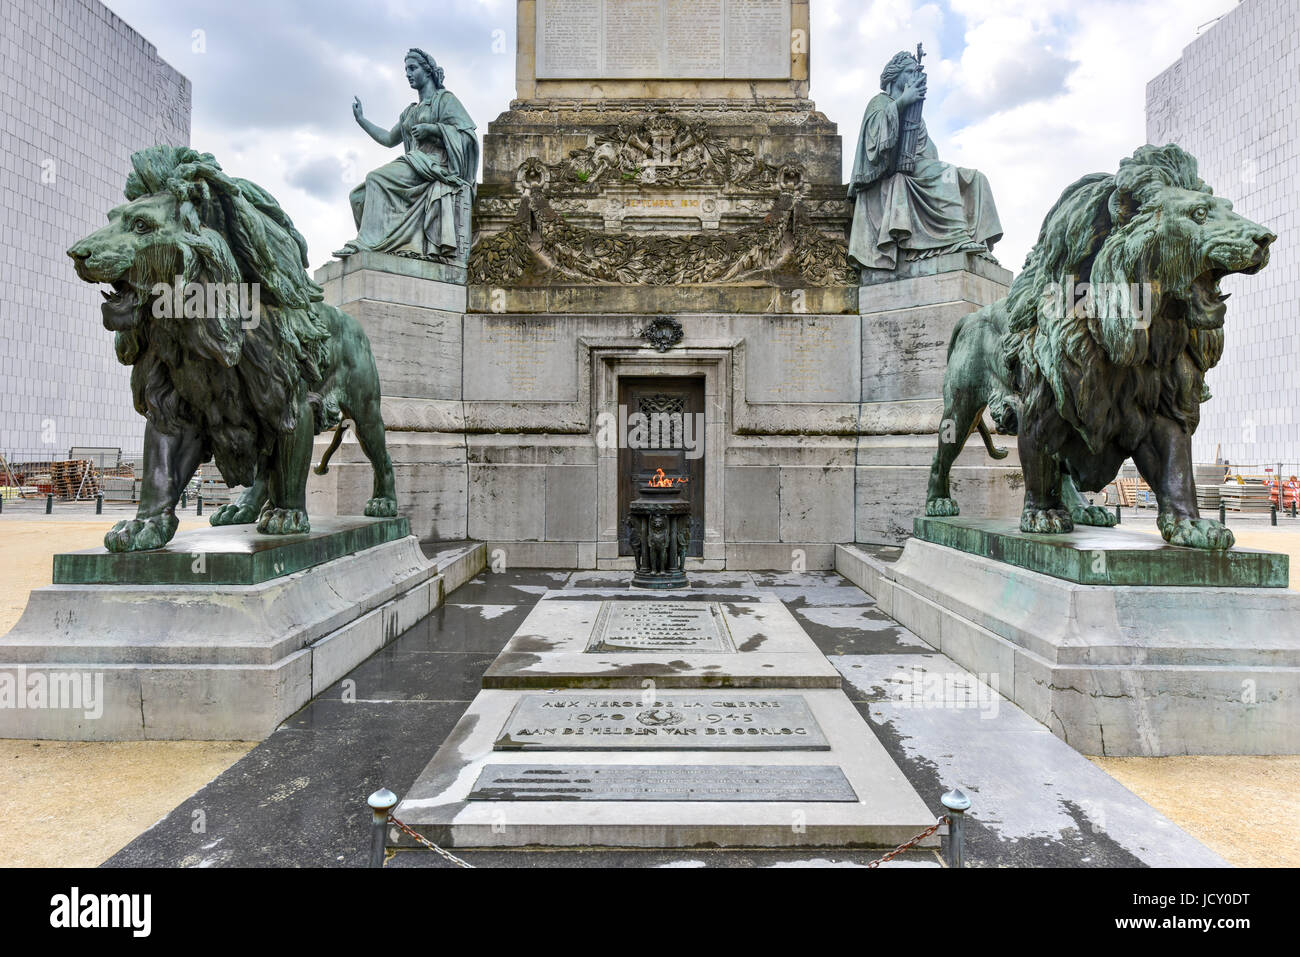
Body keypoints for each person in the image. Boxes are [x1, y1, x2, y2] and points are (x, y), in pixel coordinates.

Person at [848, 50, 1003, 272]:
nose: (913, 76)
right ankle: (957, 237)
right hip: (888, 175)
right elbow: (875, 144)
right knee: (947, 174)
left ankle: (978, 243)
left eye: (914, 72)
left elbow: (927, 150)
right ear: (896, 75)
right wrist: (902, 102)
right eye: (909, 72)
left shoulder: (914, 112)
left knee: (977, 179)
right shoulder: (880, 102)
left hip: (919, 167)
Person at [334, 48, 478, 263]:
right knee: (359, 197)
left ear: (427, 71)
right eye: (406, 70)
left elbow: (467, 136)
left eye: (413, 68)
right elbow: (388, 139)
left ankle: (366, 242)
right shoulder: (410, 111)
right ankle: (383, 246)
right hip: (415, 163)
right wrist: (361, 120)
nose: (408, 74)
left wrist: (434, 130)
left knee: (375, 178)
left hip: (435, 165)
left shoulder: (445, 100)